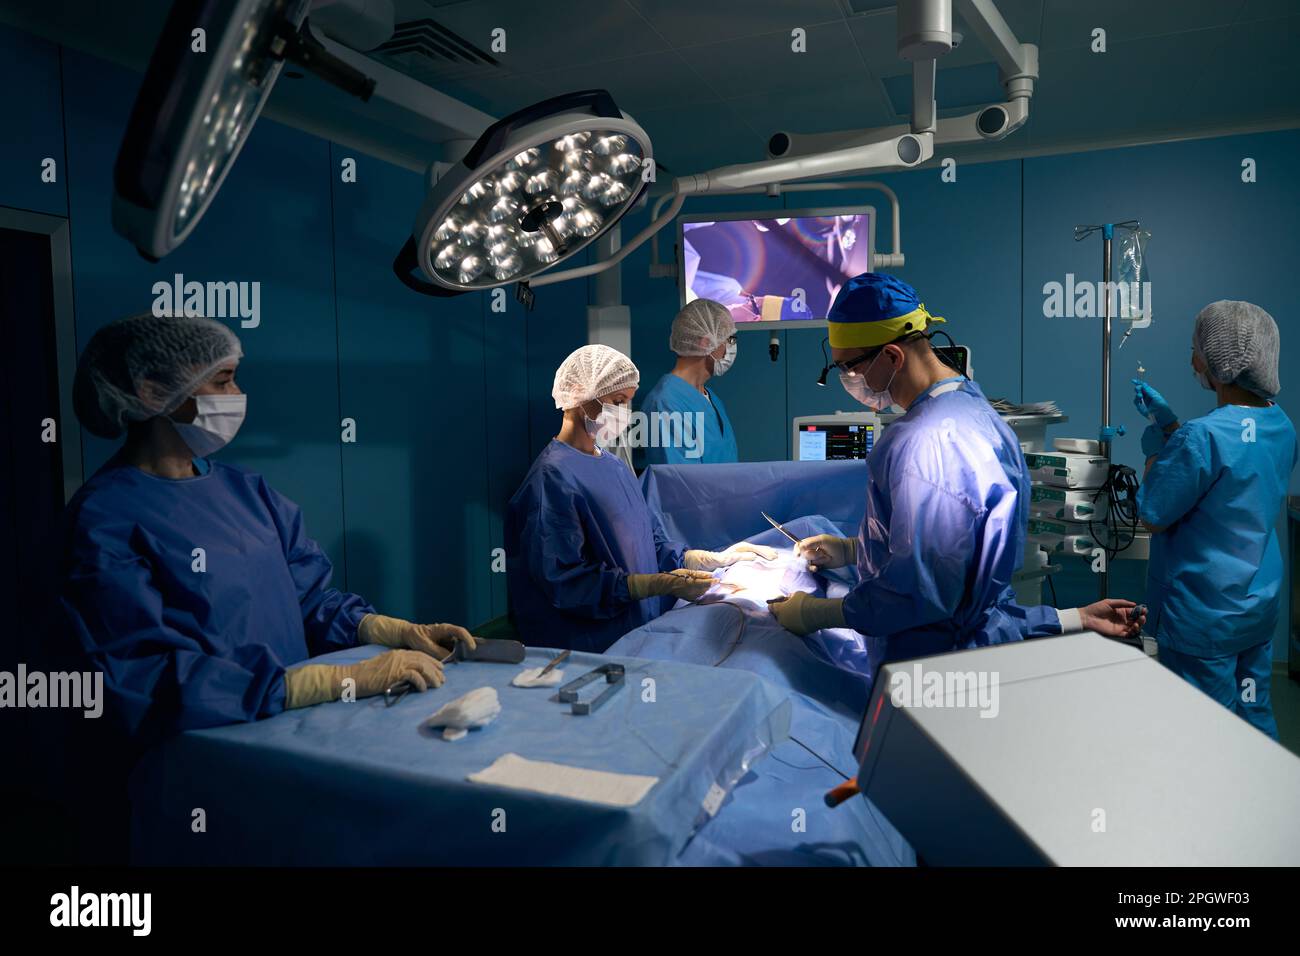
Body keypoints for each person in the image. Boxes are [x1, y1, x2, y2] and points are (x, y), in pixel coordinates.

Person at [62, 313, 477, 743]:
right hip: (199, 748)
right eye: (222, 382)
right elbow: (137, 671)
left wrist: (393, 630)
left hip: (292, 730)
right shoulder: (106, 519)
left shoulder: (245, 491)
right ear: (152, 390)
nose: (237, 395)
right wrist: (320, 683)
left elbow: (309, 599)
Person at [767, 273, 1145, 668]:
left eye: (849, 368)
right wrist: (853, 551)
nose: (849, 379)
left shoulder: (927, 444)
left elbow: (919, 591)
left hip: (934, 671)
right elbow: (953, 560)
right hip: (966, 655)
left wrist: (815, 613)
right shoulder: (975, 411)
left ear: (893, 356)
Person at [505, 344, 775, 651]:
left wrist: (699, 559)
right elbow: (563, 582)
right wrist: (648, 584)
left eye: (628, 403)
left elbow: (646, 542)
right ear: (580, 394)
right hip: (583, 648)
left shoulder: (615, 465)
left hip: (633, 633)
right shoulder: (551, 479)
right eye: (617, 401)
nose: (623, 413)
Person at [1133, 301, 1296, 739]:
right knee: (1252, 715)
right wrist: (1174, 433)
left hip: (1202, 616)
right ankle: (1268, 800)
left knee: (1204, 733)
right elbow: (1232, 476)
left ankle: (1210, 806)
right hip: (1254, 607)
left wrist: (1156, 447)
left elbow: (1153, 513)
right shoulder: (1281, 425)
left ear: (1220, 362)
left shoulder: (1201, 436)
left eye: (1196, 351)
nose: (1191, 361)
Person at [640, 299, 740, 465]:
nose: (732, 347)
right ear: (706, 342)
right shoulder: (666, 404)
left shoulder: (710, 398)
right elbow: (680, 483)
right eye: (729, 340)